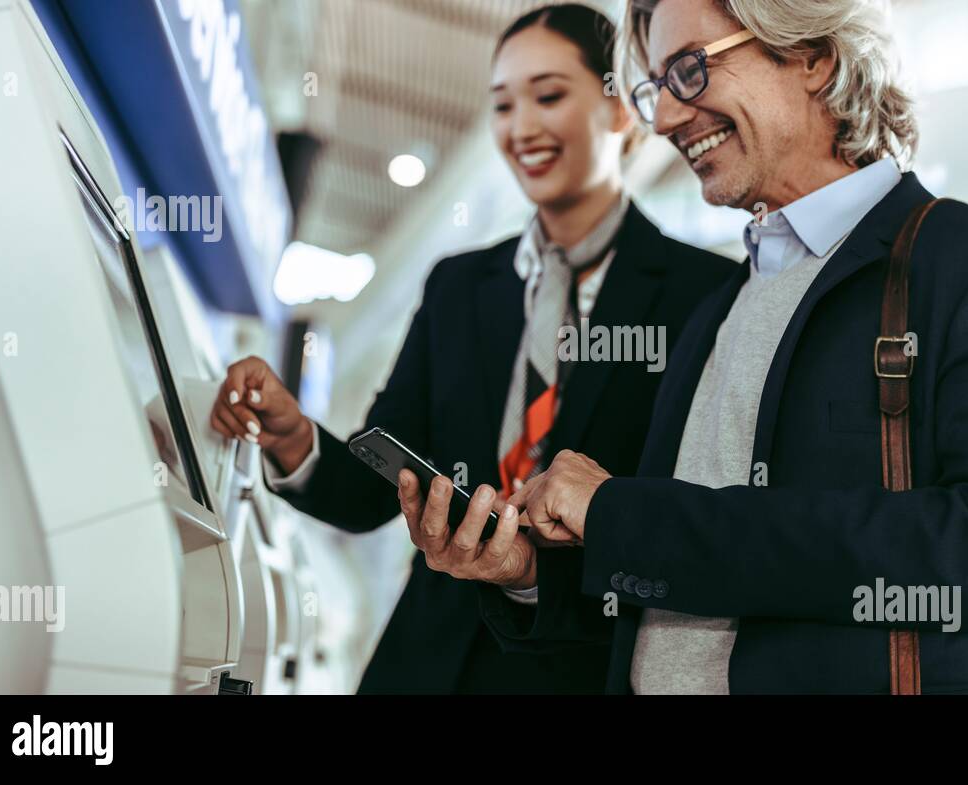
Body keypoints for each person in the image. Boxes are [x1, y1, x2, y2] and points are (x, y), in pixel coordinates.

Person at [399, 0, 968, 694]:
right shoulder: (719, 303)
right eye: (657, 87)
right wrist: (527, 574)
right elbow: (674, 580)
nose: (664, 118)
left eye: (690, 70)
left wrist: (622, 515)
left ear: (813, 54)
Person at [208, 3, 735, 694]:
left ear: (619, 112)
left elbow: (687, 530)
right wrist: (295, 438)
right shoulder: (459, 286)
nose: (522, 127)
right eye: (502, 105)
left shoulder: (707, 295)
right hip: (423, 663)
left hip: (578, 670)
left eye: (548, 95)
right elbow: (378, 486)